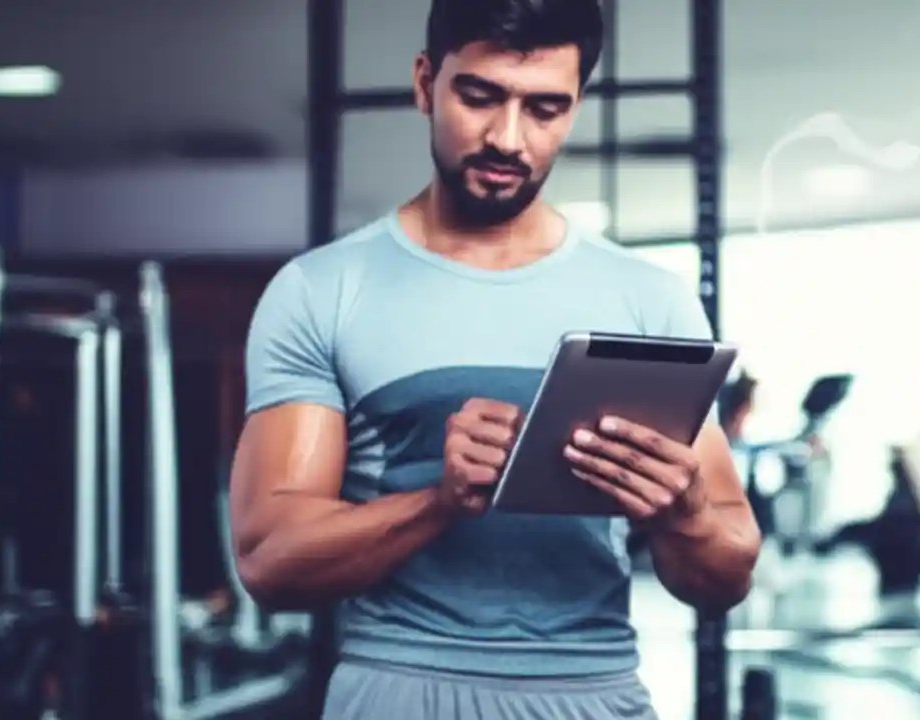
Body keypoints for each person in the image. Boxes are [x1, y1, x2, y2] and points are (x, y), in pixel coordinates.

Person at [227, 1, 761, 718]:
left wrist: (684, 512)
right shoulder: (324, 291)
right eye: (479, 97)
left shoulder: (650, 300)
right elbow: (269, 560)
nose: (508, 138)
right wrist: (438, 503)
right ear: (425, 84)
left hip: (593, 692)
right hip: (401, 687)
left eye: (545, 109)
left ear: (574, 108)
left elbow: (726, 571)